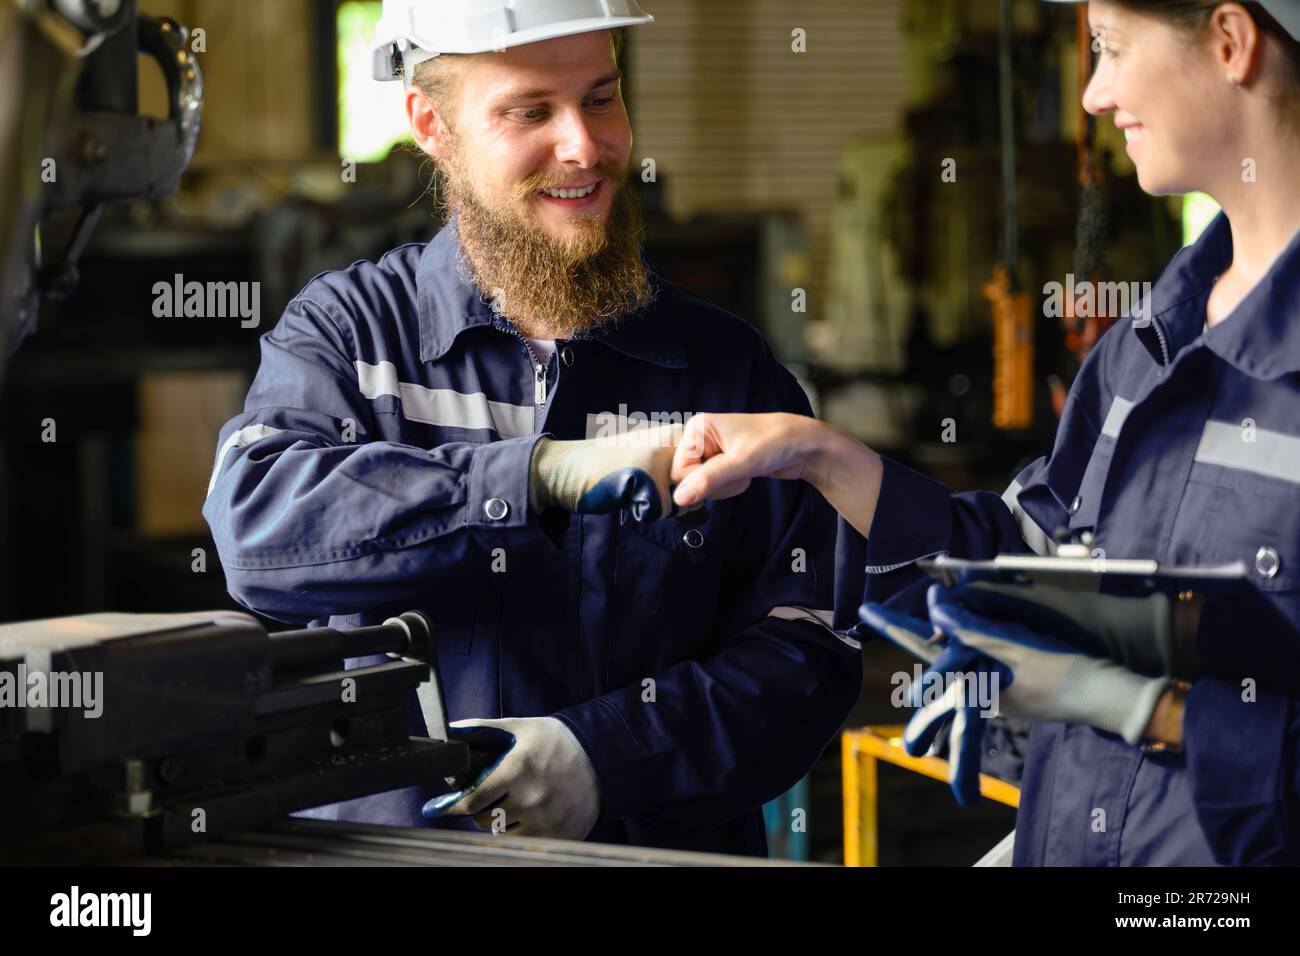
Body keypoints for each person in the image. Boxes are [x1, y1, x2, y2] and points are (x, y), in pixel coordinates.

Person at [202, 0, 861, 856]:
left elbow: (810, 644)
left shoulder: (725, 369)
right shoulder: (353, 339)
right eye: (529, 111)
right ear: (431, 125)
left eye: (601, 97)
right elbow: (258, 535)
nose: (584, 147)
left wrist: (609, 757)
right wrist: (537, 477)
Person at [670, 0, 1300, 866]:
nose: (1092, 94)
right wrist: (825, 459)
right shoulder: (1146, 346)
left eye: (1110, 48)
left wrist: (1128, 707)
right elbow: (1032, 552)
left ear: (1232, 42)